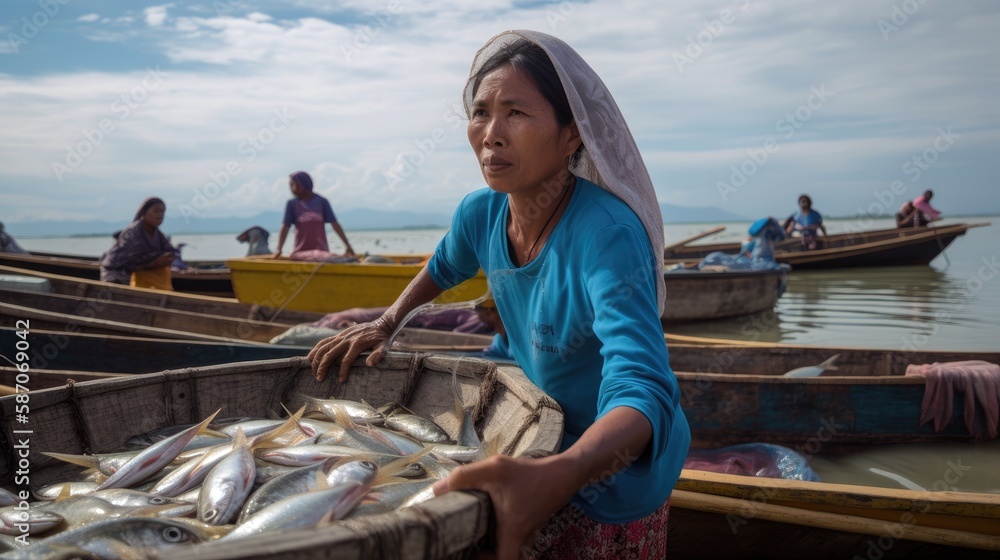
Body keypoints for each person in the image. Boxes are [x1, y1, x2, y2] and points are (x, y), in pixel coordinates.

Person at [309, 30, 690, 559]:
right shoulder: (481, 212)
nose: (491, 134)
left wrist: (565, 470)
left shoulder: (608, 235)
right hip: (535, 439)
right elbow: (443, 266)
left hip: (610, 469)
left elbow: (640, 384)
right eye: (481, 112)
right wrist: (388, 322)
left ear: (572, 136)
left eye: (516, 113)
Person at [273, 171, 355, 260]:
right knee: (311, 255)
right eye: (290, 185)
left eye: (293, 184)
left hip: (322, 252)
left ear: (303, 184)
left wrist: (348, 245)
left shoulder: (322, 202)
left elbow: (334, 224)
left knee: (320, 255)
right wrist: (279, 249)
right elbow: (285, 227)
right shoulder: (292, 204)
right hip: (300, 252)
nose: (292, 188)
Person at [99, 197, 176, 290]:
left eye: (162, 211)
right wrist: (155, 262)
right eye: (156, 211)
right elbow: (131, 261)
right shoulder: (132, 232)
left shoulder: (158, 234)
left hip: (140, 274)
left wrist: (170, 259)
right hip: (118, 275)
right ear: (144, 212)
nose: (160, 215)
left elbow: (170, 251)